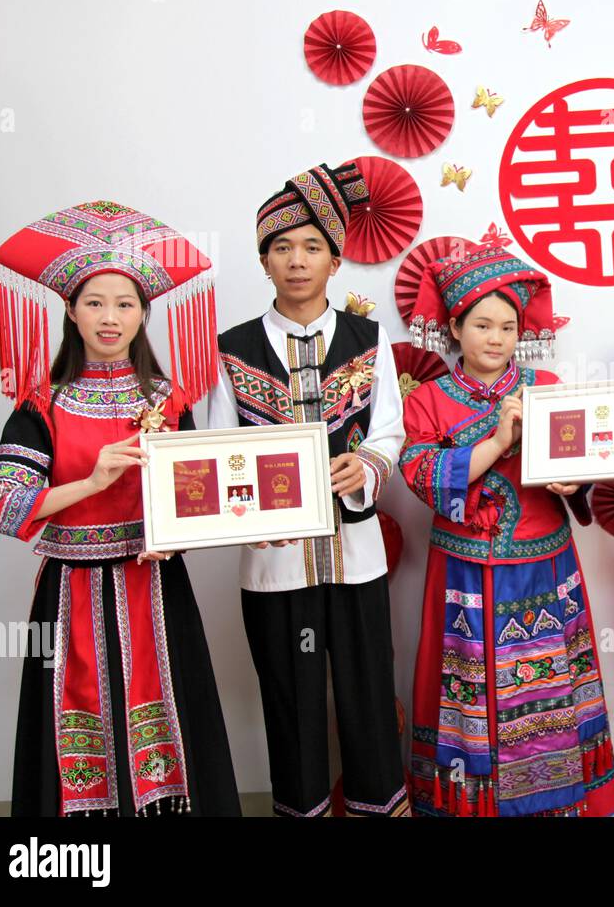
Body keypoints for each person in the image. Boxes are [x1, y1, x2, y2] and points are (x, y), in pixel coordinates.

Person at [0, 199, 238, 816]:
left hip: (154, 582)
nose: (109, 317)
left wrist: (208, 529)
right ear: (70, 310)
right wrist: (94, 481)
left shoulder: (167, 398)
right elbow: (0, 505)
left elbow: (196, 496)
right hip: (69, 590)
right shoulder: (41, 402)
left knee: (171, 719)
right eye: (94, 302)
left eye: (125, 304)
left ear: (143, 314)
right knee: (77, 729)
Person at [208, 161, 408, 817]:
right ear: (263, 261)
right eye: (282, 248)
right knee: (288, 699)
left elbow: (388, 433)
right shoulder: (229, 350)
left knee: (368, 693)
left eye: (312, 247)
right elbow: (216, 453)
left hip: (357, 555)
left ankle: (380, 806)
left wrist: (367, 469)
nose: (297, 260)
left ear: (335, 261)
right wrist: (241, 512)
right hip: (274, 560)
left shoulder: (369, 340)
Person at [399, 241, 614, 816]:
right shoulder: (426, 400)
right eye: (481, 324)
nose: (496, 338)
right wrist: (498, 439)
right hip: (465, 573)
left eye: (507, 326)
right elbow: (422, 478)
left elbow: (581, 461)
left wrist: (575, 482)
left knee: (551, 693)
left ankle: (556, 801)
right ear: (454, 326)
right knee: (469, 691)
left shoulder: (545, 385)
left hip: (545, 565)